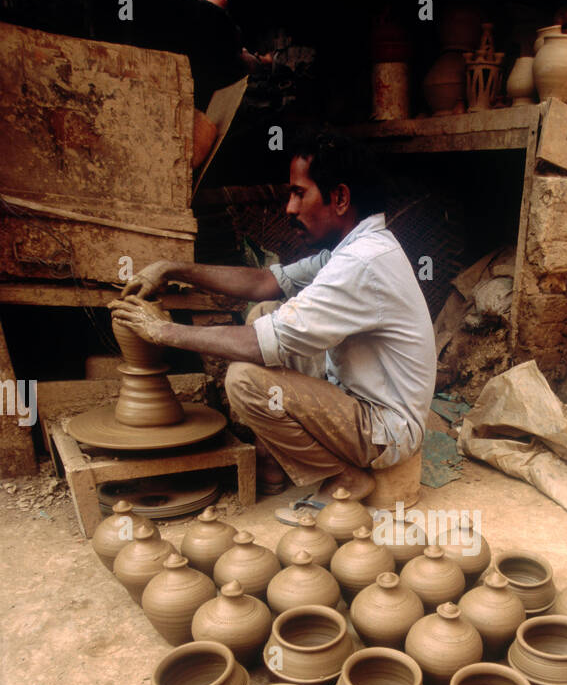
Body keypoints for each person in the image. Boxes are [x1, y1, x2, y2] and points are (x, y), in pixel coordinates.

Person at [112, 131, 436, 500]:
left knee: (244, 381)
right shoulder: (350, 250)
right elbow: (266, 282)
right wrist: (172, 268)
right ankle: (272, 457)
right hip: (359, 396)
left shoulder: (362, 263)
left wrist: (162, 332)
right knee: (265, 312)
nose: (290, 208)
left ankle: (345, 476)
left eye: (299, 193)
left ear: (340, 198)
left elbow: (258, 344)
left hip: (385, 428)